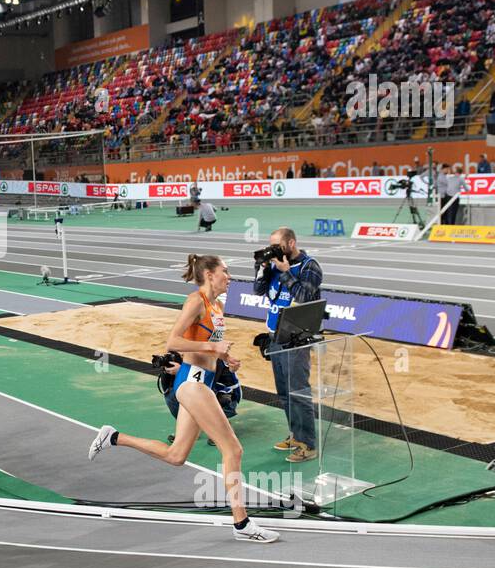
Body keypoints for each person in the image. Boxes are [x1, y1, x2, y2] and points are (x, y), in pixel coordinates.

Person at [88, 254, 279, 543]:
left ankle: (114, 437)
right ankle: (242, 524)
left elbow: (209, 346)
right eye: (225, 272)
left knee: (176, 455)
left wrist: (225, 357)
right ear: (210, 275)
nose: (229, 276)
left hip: (201, 380)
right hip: (192, 383)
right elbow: (173, 342)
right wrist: (213, 349)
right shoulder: (196, 301)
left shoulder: (215, 305)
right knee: (233, 450)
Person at [254, 227, 323, 462]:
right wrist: (263, 268)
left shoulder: (309, 266)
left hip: (296, 339)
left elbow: (306, 297)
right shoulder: (273, 264)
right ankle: (296, 435)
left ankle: (308, 444)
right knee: (284, 392)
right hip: (275, 336)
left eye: (277, 245)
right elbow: (258, 290)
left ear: (291, 243)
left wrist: (285, 273)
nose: (274, 250)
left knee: (299, 392)